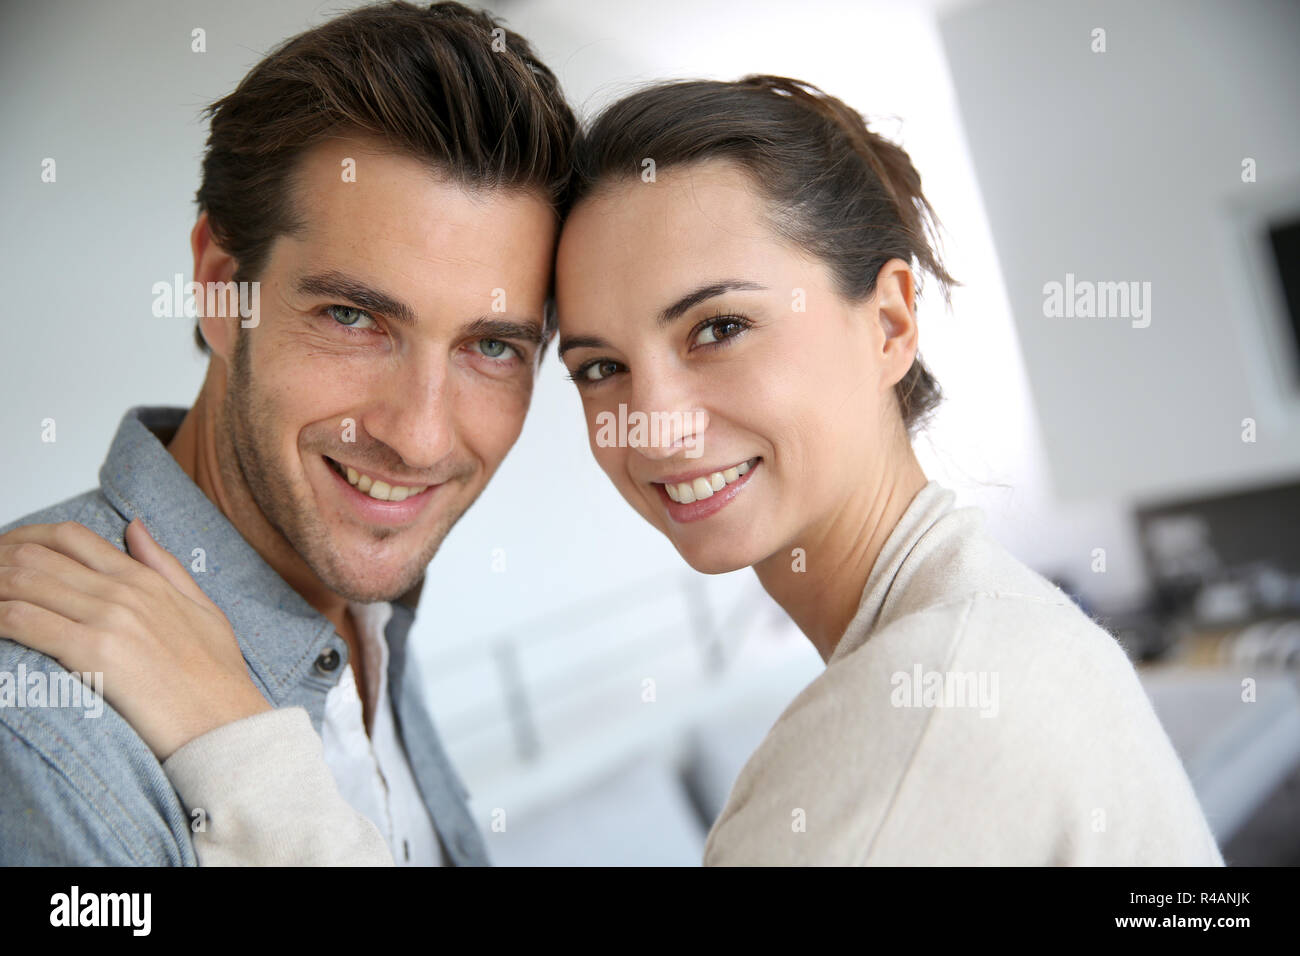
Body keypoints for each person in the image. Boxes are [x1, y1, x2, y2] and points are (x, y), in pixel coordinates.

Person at [0, 75, 1225, 866]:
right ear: (218, 286)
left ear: (890, 322)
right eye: (595, 365)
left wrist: (237, 745)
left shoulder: (926, 722)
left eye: (719, 327)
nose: (654, 422)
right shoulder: (42, 708)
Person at [0, 1, 576, 865]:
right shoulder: (40, 720)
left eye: (491, 346)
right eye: (353, 317)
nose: (418, 438)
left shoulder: (367, 615)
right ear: (223, 287)